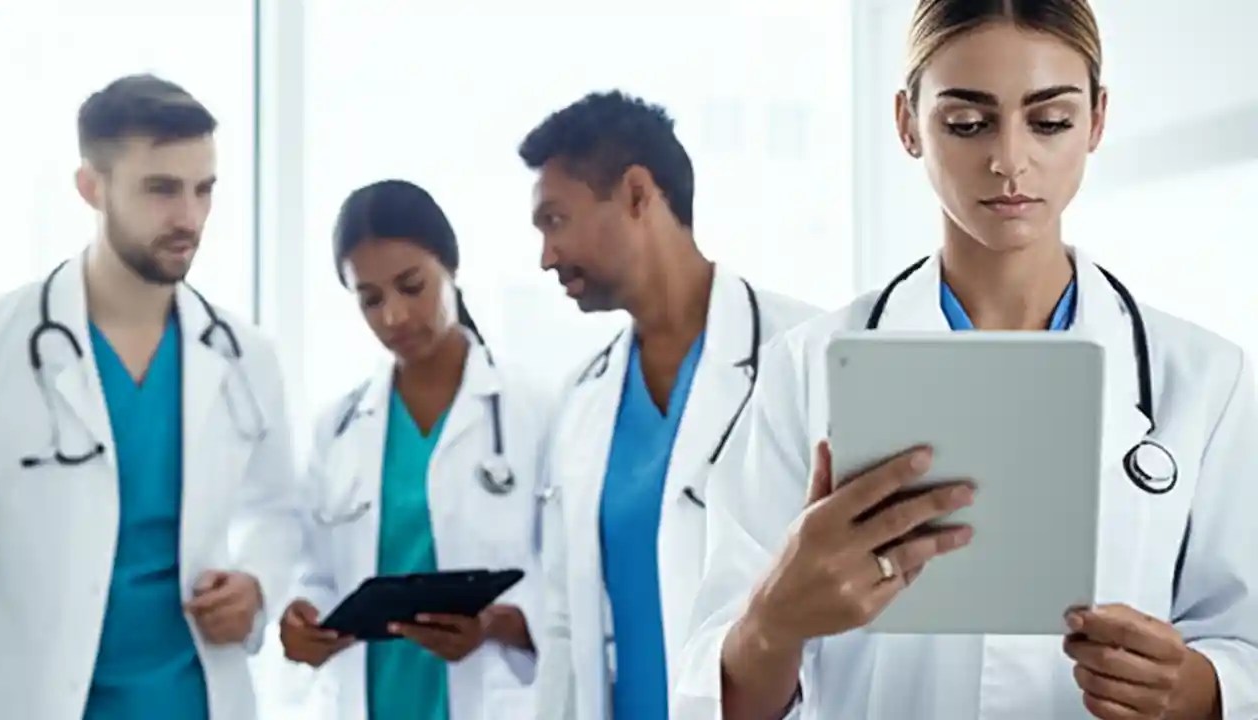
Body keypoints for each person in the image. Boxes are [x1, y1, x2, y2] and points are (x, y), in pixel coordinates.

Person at [673, 2, 1258, 719]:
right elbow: (719, 694)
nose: (1009, 160)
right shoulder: (805, 371)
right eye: (967, 123)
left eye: (1049, 122)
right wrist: (775, 621)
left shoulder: (1205, 380)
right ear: (906, 123)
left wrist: (1201, 691)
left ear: (1097, 120)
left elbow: (1244, 643)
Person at [0, 75, 303, 720]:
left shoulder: (245, 356)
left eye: (203, 190)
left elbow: (278, 511)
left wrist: (257, 587)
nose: (189, 218)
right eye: (161, 189)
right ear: (91, 187)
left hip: (194, 701)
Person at [518, 91, 821, 720]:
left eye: (555, 221)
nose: (546, 255)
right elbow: (565, 629)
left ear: (636, 193)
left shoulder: (805, 356)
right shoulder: (582, 398)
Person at [278, 179, 545, 720]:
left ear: (451, 268)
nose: (393, 317)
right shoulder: (338, 428)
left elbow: (571, 583)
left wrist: (494, 624)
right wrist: (300, 622)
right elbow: (315, 573)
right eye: (370, 299)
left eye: (411, 286)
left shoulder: (535, 412)